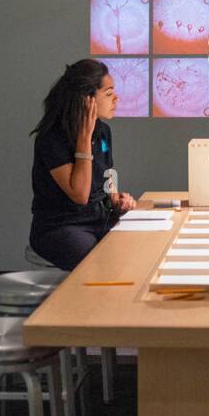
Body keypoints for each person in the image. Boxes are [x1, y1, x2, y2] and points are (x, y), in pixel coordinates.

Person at [28, 59, 138, 271]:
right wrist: (84, 138)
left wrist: (116, 198)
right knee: (98, 264)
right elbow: (80, 194)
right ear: (87, 100)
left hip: (100, 218)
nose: (116, 98)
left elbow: (108, 174)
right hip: (61, 227)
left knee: (132, 251)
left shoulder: (103, 131)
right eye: (108, 94)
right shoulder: (52, 138)